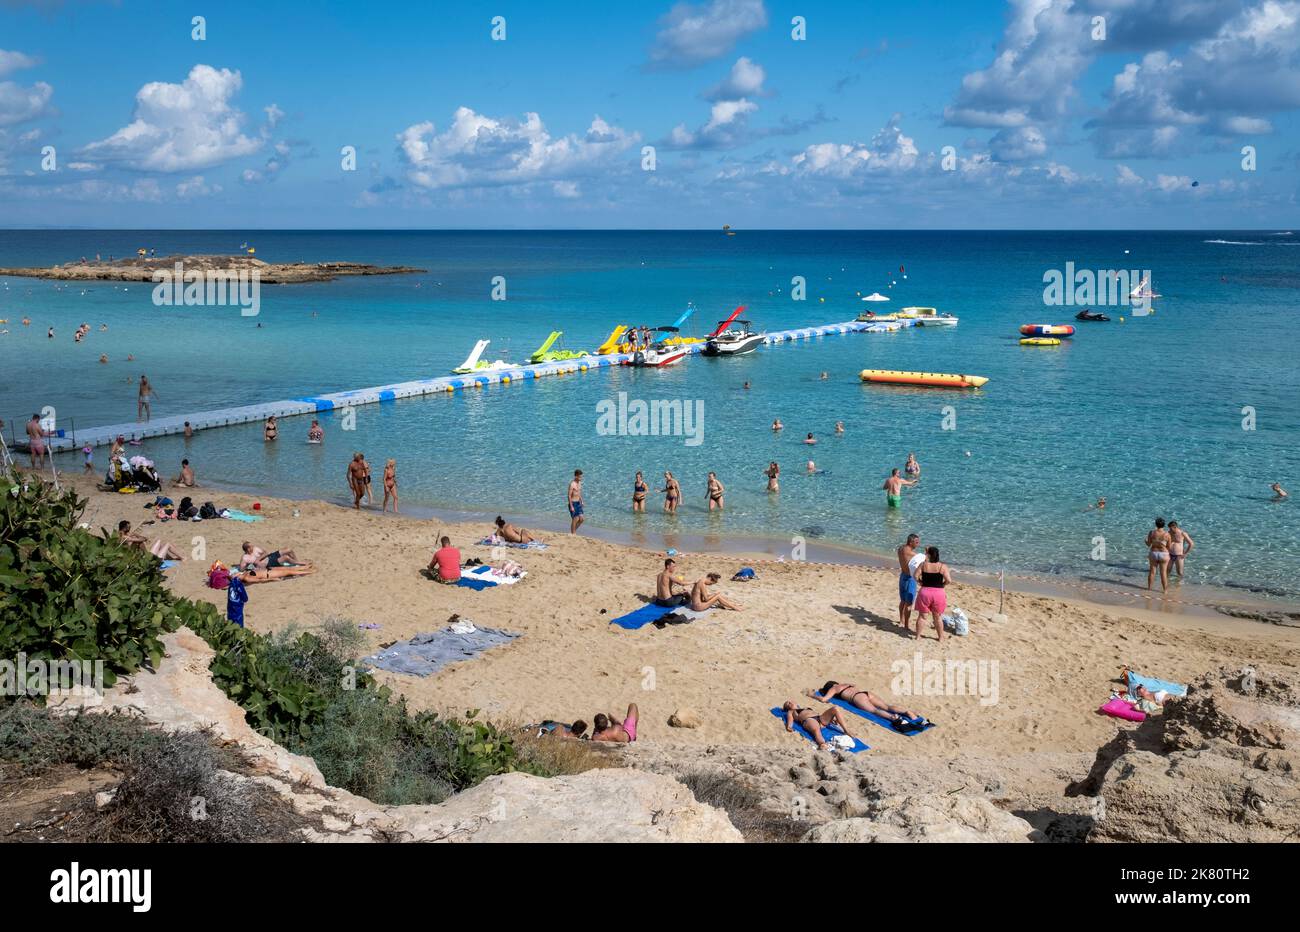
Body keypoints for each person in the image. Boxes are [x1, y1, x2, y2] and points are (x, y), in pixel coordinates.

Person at [814, 681, 920, 725]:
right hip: (866, 693)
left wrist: (813, 695)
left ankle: (894, 718)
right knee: (887, 706)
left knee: (874, 710)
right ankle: (907, 712)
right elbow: (854, 684)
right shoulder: (846, 684)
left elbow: (824, 700)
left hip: (857, 698)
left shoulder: (834, 688)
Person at [912, 546, 951, 642]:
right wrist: (943, 584)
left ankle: (917, 636)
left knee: (922, 616)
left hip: (925, 592)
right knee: (937, 617)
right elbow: (949, 580)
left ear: (929, 555)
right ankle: (941, 638)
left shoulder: (923, 565)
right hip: (938, 593)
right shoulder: (942, 566)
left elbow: (915, 576)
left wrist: (920, 582)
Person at [781, 700, 856, 750]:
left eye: (790, 701)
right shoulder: (791, 711)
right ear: (787, 708)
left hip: (820, 718)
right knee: (816, 730)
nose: (790, 702)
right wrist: (789, 726)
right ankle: (822, 744)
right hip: (808, 720)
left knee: (835, 708)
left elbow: (816, 713)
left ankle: (846, 730)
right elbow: (790, 719)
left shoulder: (805, 708)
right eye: (787, 703)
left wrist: (832, 719)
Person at [117, 520, 185, 562]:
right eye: (129, 528)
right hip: (147, 559)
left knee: (159, 542)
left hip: (146, 556)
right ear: (125, 528)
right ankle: (182, 558)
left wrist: (136, 534)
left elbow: (142, 537)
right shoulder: (124, 538)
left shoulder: (125, 535)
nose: (130, 529)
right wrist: (140, 538)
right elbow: (141, 539)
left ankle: (173, 558)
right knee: (167, 544)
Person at [897, 533, 924, 628]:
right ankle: (906, 625)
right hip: (910, 578)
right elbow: (926, 560)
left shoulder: (900, 549)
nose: (918, 544)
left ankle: (901, 620)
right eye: (916, 542)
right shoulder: (912, 554)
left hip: (902, 576)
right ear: (911, 542)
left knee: (903, 601)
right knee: (909, 603)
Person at [239, 541, 309, 572]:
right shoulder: (245, 558)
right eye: (251, 546)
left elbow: (266, 552)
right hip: (267, 563)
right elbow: (242, 569)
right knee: (286, 557)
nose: (253, 546)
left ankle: (296, 562)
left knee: (288, 549)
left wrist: (258, 558)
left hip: (269, 557)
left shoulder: (255, 549)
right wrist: (251, 565)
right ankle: (300, 563)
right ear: (248, 549)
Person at [1146, 517, 1172, 592]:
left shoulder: (1151, 532)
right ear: (1164, 525)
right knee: (1163, 573)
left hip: (1153, 553)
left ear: (1156, 524)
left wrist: (1145, 541)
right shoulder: (1167, 534)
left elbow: (1148, 544)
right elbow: (1169, 547)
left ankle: (1149, 589)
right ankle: (1165, 591)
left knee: (1152, 572)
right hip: (1163, 554)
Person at [568, 469, 585, 533]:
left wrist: (582, 501)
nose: (581, 478)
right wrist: (571, 506)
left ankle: (573, 531)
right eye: (580, 477)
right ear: (576, 476)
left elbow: (579, 492)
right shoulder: (572, 484)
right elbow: (569, 495)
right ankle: (573, 533)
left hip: (578, 503)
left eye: (581, 476)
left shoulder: (579, 483)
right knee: (575, 519)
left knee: (582, 519)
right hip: (573, 503)